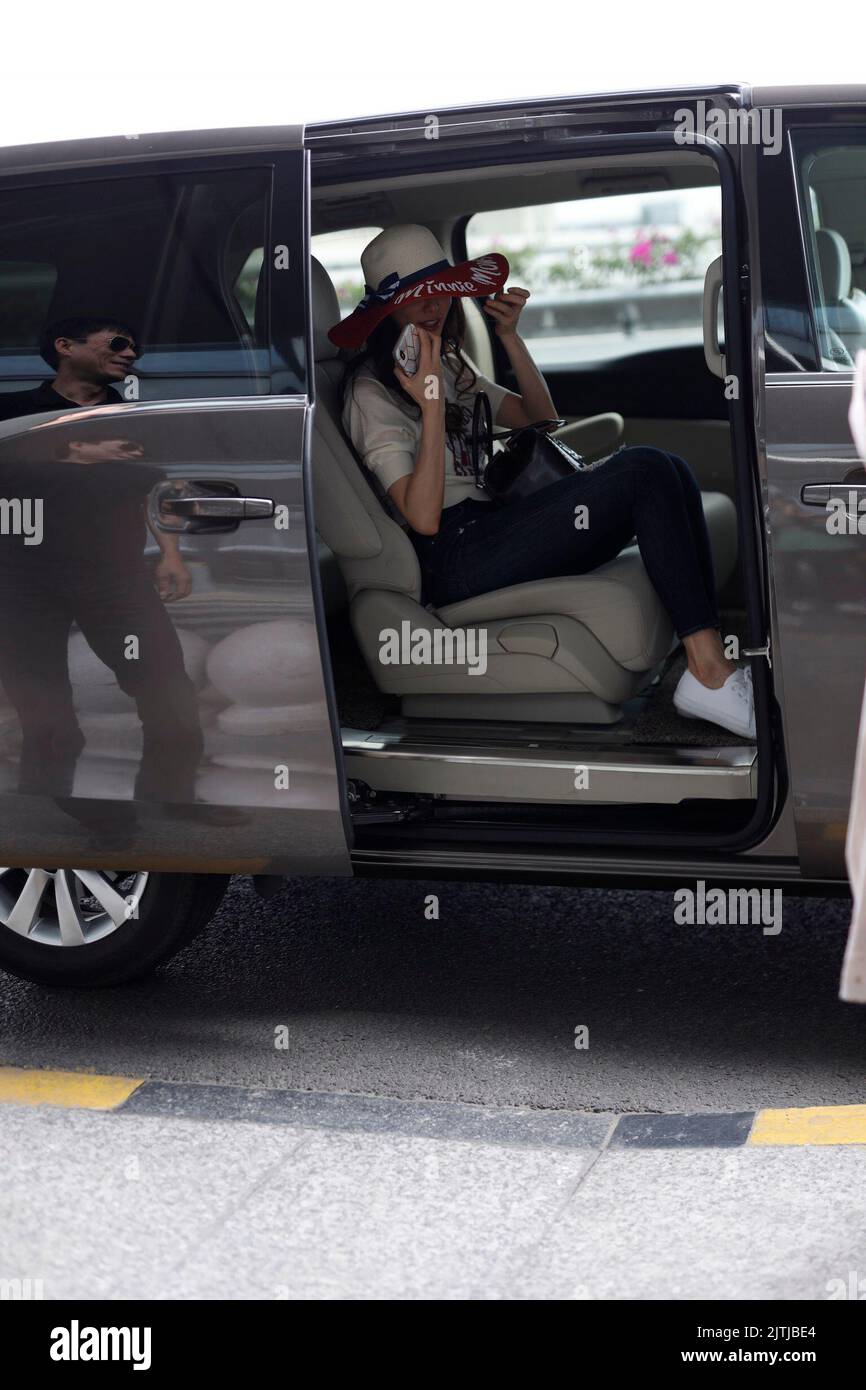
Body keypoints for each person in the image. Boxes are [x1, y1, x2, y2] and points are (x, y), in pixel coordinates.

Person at [331, 225, 755, 739]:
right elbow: (421, 518)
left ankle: (708, 665)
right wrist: (431, 407)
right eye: (414, 296)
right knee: (644, 469)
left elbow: (540, 416)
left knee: (673, 470)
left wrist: (509, 338)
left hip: (493, 525)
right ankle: (709, 672)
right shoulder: (371, 393)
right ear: (386, 311)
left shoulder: (443, 362)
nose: (432, 306)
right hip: (452, 554)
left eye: (441, 289)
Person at [0, 426, 202, 806]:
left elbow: (166, 499)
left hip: (114, 584)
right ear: (76, 443)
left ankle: (172, 801)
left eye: (139, 445)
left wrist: (171, 556)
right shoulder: (19, 471)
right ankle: (47, 809)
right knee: (41, 706)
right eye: (127, 443)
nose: (135, 451)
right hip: (25, 590)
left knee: (164, 686)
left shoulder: (133, 474)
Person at [0, 315, 138, 421]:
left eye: (134, 349)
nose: (131, 354)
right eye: (118, 344)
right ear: (65, 346)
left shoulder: (135, 416)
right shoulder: (8, 409)